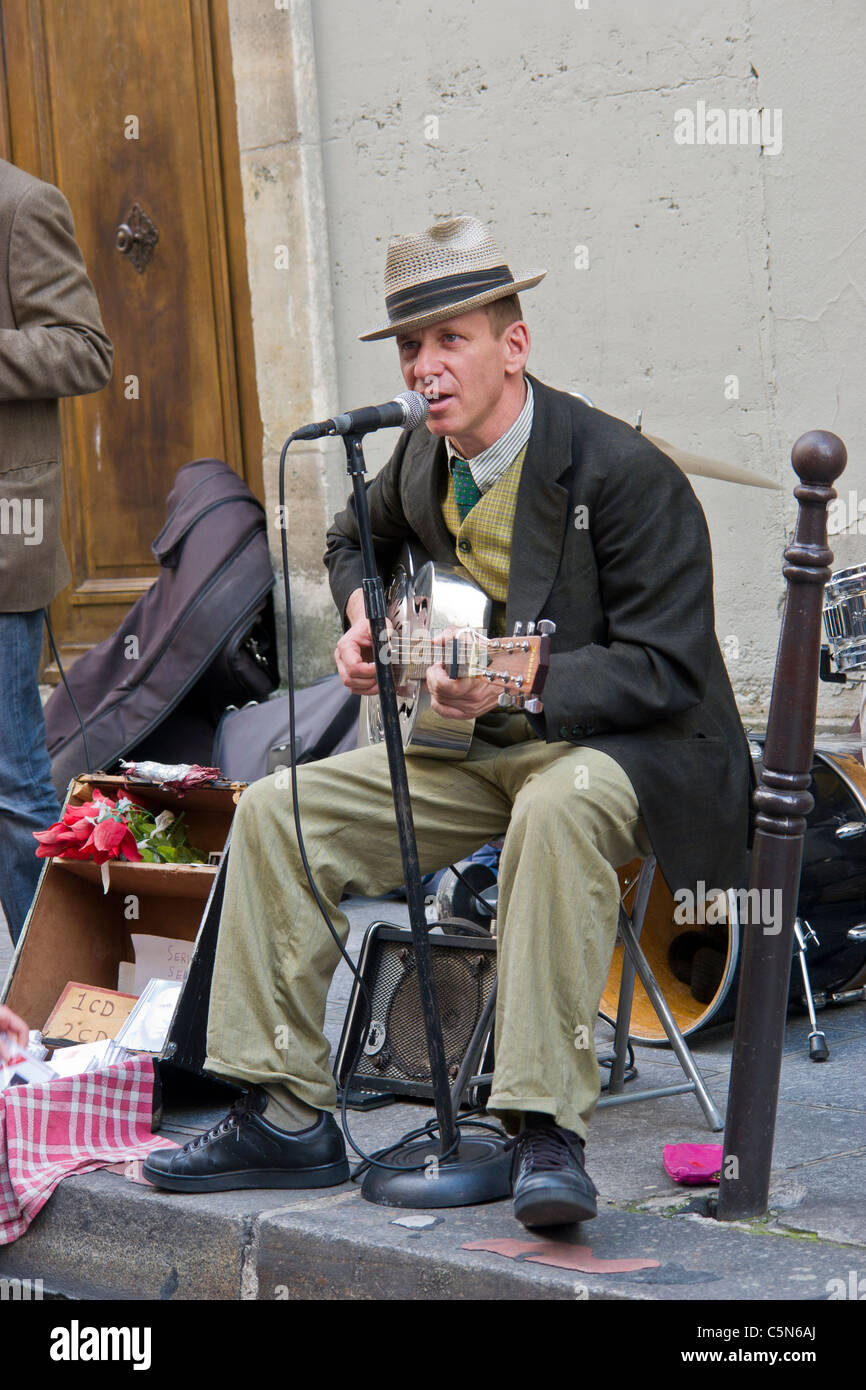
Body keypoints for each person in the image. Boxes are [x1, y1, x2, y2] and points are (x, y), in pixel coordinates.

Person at [144, 216, 751, 1227]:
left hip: (627, 753)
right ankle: (288, 1114)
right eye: (409, 348)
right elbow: (351, 537)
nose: (424, 367)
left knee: (554, 807)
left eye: (450, 340)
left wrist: (511, 681)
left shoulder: (622, 473)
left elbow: (665, 666)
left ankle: (543, 1127)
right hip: (478, 747)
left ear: (513, 347)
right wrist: (363, 620)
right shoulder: (424, 465)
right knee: (279, 809)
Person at [0, 158, 113, 943]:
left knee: (10, 787)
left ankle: (59, 997)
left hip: (6, 545)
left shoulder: (24, 204)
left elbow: (85, 350)